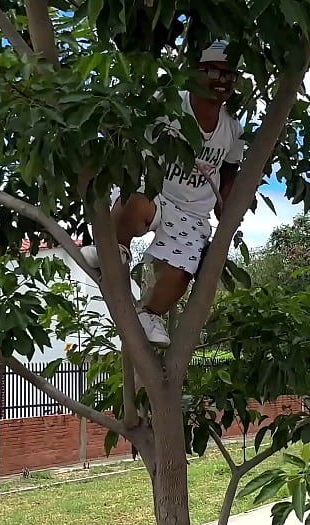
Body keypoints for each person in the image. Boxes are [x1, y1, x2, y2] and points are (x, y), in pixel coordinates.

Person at [83, 40, 244, 348]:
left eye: (229, 75)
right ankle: (113, 252)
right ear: (193, 73)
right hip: (153, 189)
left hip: (193, 211)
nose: (221, 80)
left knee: (180, 274)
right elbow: (128, 134)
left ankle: (149, 313)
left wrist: (228, 207)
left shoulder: (232, 128)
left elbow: (231, 170)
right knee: (133, 204)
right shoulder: (167, 104)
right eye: (212, 71)